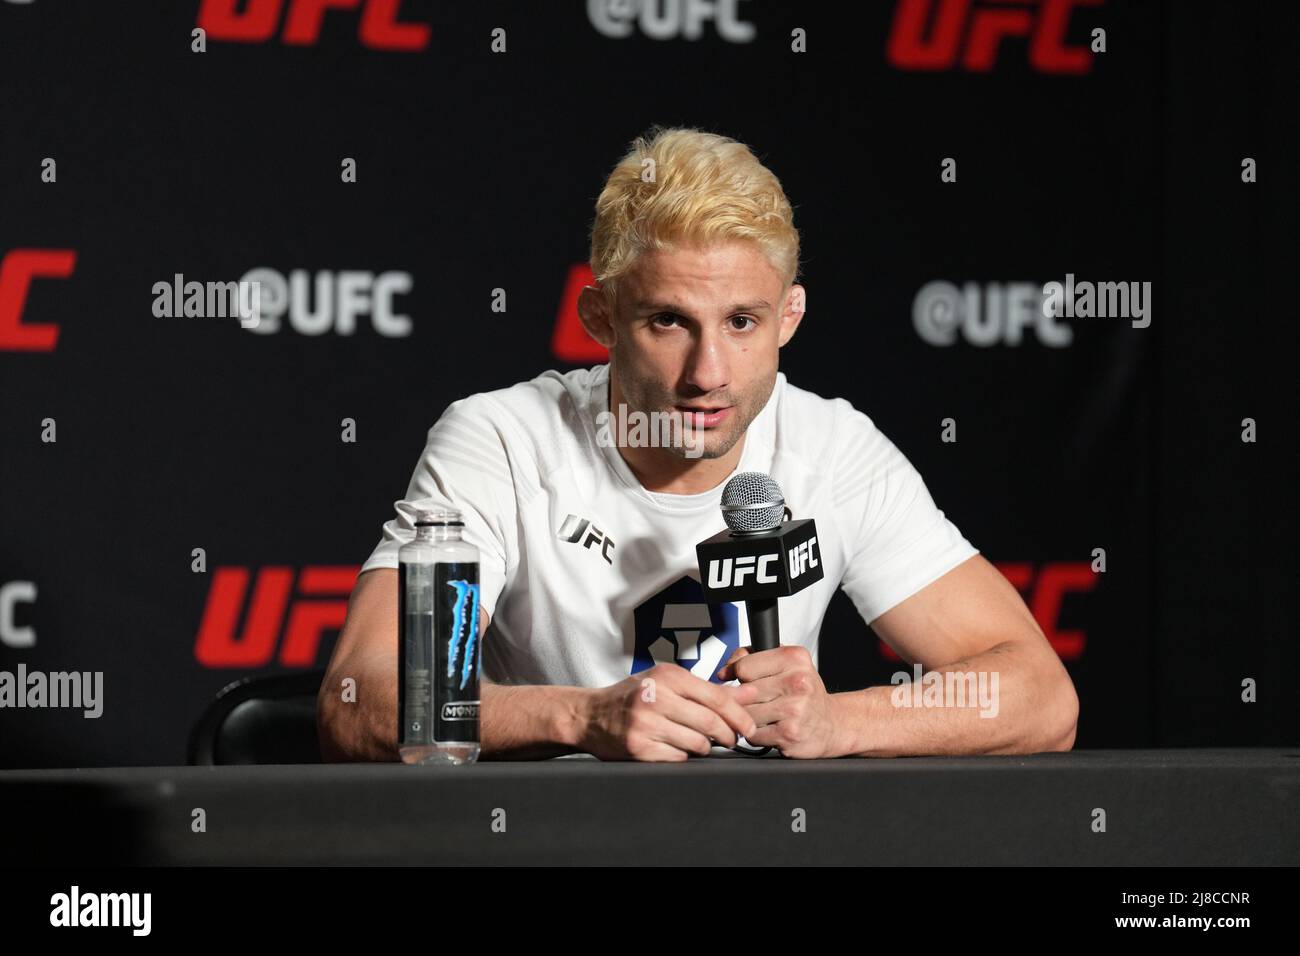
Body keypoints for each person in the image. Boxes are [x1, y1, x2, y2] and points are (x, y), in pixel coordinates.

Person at [318, 126, 1078, 762]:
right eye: (668, 321)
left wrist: (841, 722)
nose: (707, 375)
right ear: (600, 318)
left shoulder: (833, 449)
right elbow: (365, 699)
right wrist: (583, 717)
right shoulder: (502, 442)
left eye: (742, 322)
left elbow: (1042, 698)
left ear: (789, 317)